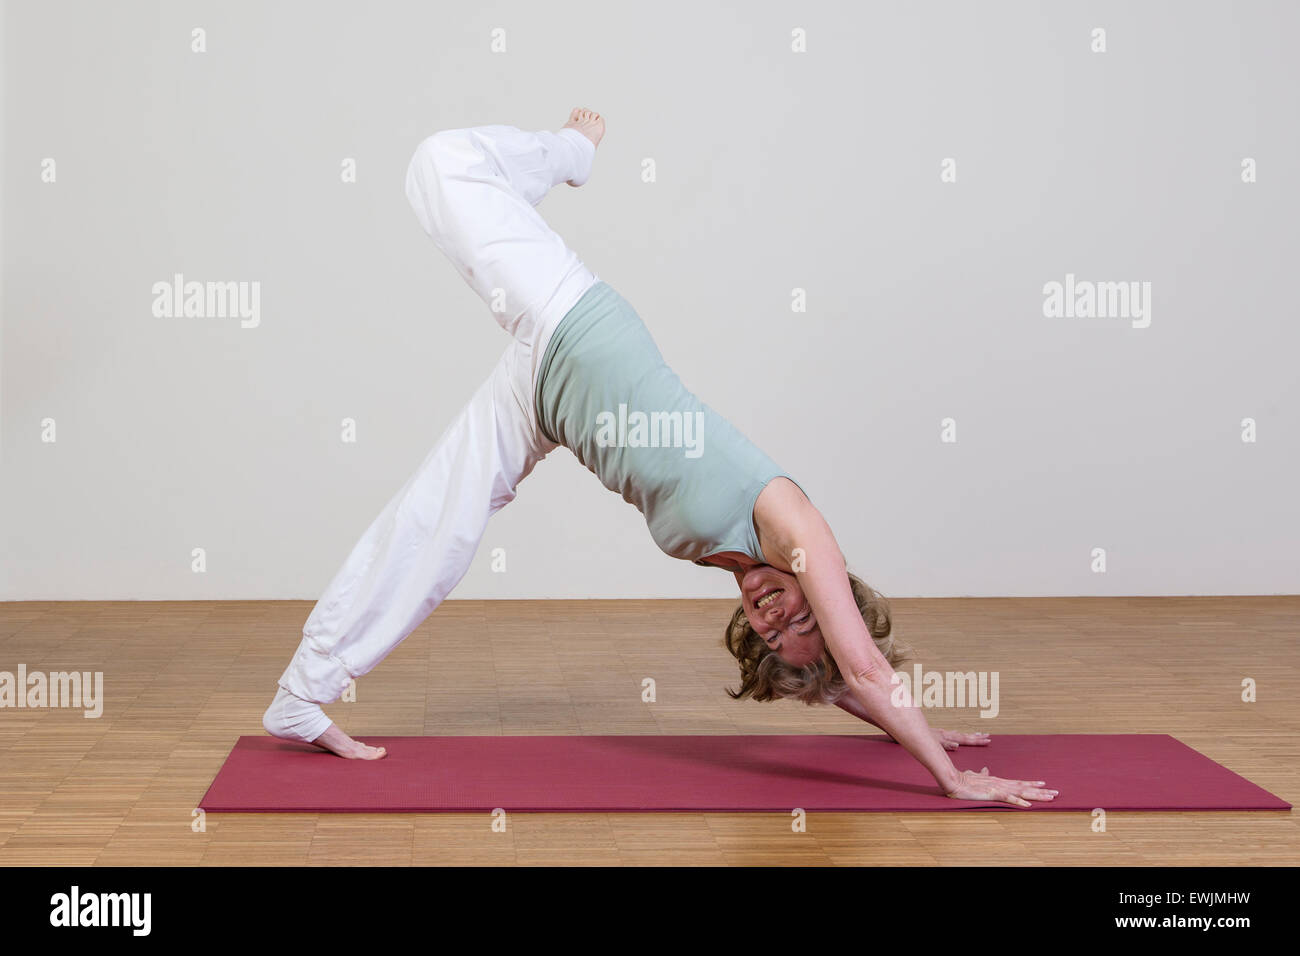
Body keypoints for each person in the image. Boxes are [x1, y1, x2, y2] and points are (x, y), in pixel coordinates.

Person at [263, 108, 1057, 808]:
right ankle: (568, 153)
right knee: (439, 166)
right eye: (803, 612)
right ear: (830, 588)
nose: (776, 617)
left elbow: (847, 683)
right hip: (576, 323)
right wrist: (947, 780)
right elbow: (867, 671)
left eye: (776, 637)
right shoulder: (794, 526)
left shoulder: (742, 567)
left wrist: (916, 731)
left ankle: (303, 694)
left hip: (545, 403)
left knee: (437, 524)